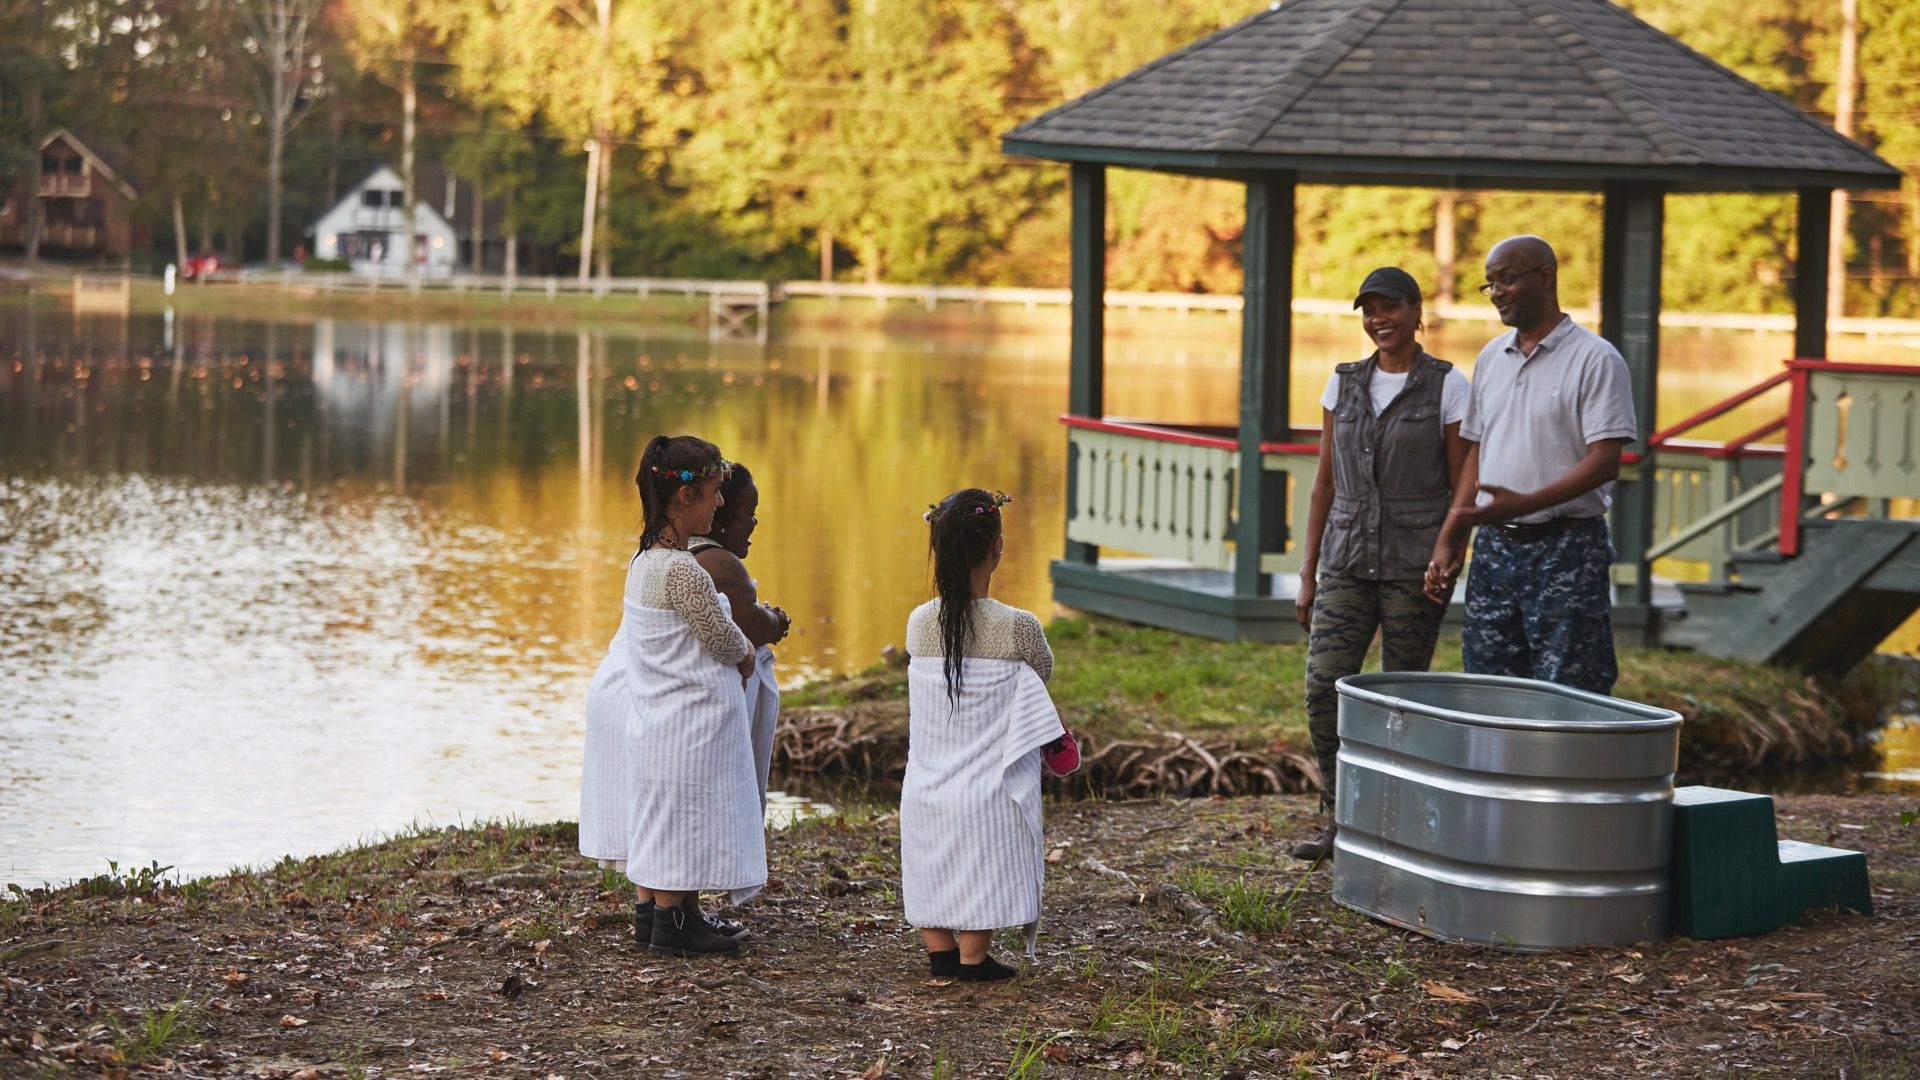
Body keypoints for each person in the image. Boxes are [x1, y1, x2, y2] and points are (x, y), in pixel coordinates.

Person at [1291, 267, 1472, 864]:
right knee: (1324, 686)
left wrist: (1451, 548)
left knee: (1403, 696)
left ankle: (1397, 828)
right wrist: (1308, 570)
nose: (1378, 320)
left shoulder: (1448, 385)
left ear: (1417, 313)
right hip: (1345, 559)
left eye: (1390, 307)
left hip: (1414, 565)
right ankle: (1341, 821)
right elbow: (1323, 482)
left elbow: (1459, 482)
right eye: (1368, 309)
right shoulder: (1340, 385)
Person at [1426, 235, 1638, 695]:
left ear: (1545, 278)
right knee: (1488, 691)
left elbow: (1604, 462)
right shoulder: (1490, 359)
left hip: (1567, 550)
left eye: (1506, 279)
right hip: (1495, 551)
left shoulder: (1596, 359)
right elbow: (1475, 455)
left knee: (1570, 693)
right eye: (1490, 285)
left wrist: (1522, 503)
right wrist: (1451, 537)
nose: (1497, 292)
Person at [577, 434, 763, 958]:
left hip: (654, 714)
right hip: (686, 719)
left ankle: (657, 918)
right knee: (685, 817)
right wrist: (746, 650)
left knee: (663, 817)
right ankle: (678, 925)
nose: (720, 503)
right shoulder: (683, 570)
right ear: (684, 500)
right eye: (712, 493)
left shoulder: (643, 562)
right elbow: (718, 637)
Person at [900, 488, 1068, 982]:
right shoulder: (1019, 626)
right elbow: (1044, 672)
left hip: (927, 783)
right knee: (984, 839)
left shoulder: (916, 623)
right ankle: (973, 957)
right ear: (997, 546)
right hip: (986, 786)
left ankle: (941, 954)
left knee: (934, 848)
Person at [690, 463, 793, 815]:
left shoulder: (685, 550)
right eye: (749, 513)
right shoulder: (719, 562)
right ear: (720, 517)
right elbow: (750, 625)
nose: (755, 523)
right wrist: (777, 620)